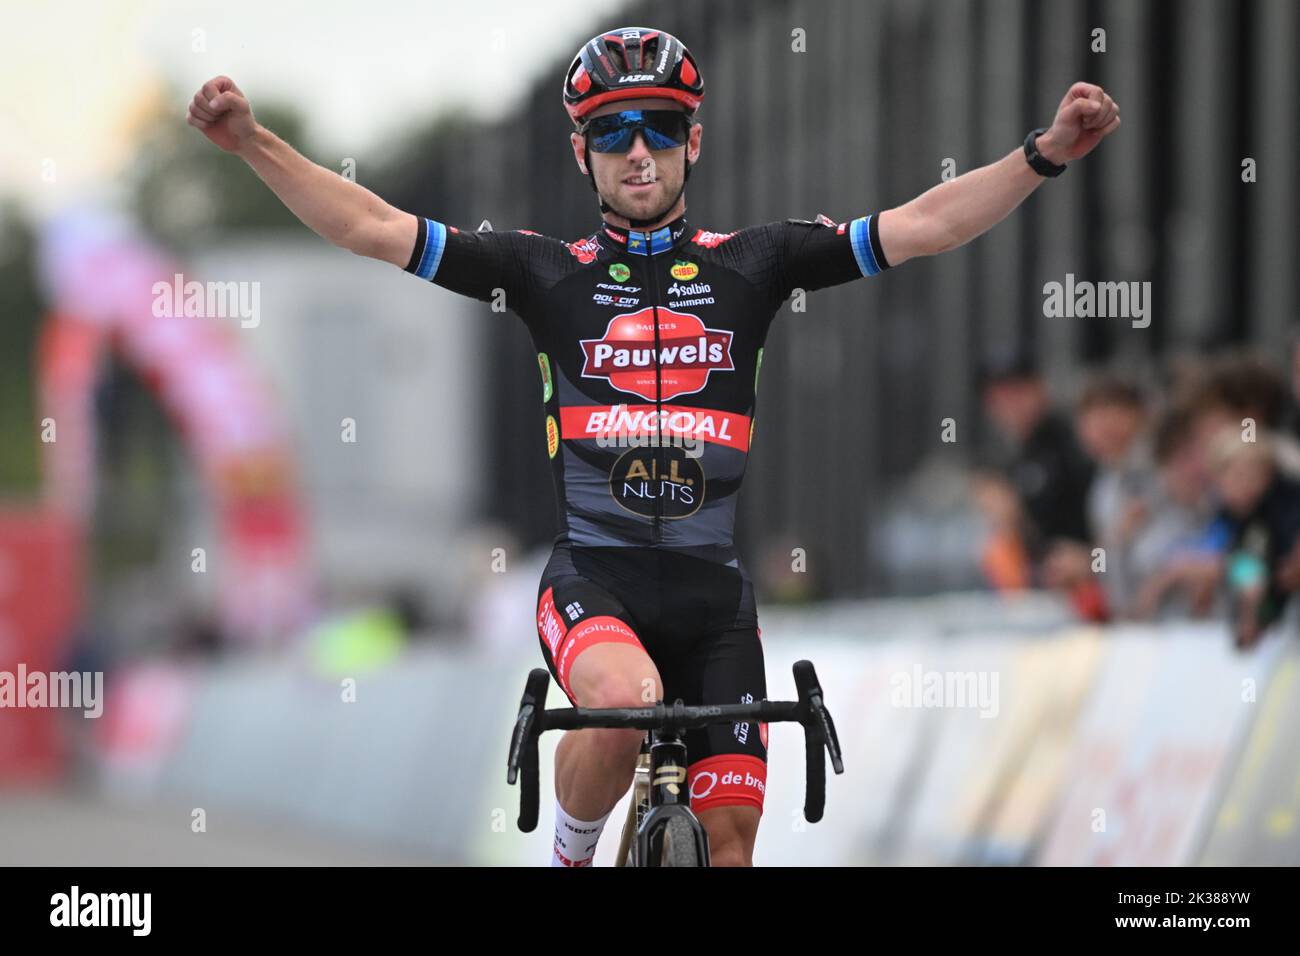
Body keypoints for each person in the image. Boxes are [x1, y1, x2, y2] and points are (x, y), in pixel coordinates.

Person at [186, 26, 1121, 866]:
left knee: (734, 841)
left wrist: (1043, 155)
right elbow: (372, 227)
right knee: (625, 705)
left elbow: (923, 228)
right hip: (595, 575)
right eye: (614, 132)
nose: (639, 152)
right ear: (582, 151)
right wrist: (252, 143)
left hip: (714, 595)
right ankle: (571, 857)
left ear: (694, 142)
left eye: (662, 129)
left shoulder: (754, 263)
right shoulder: (540, 271)